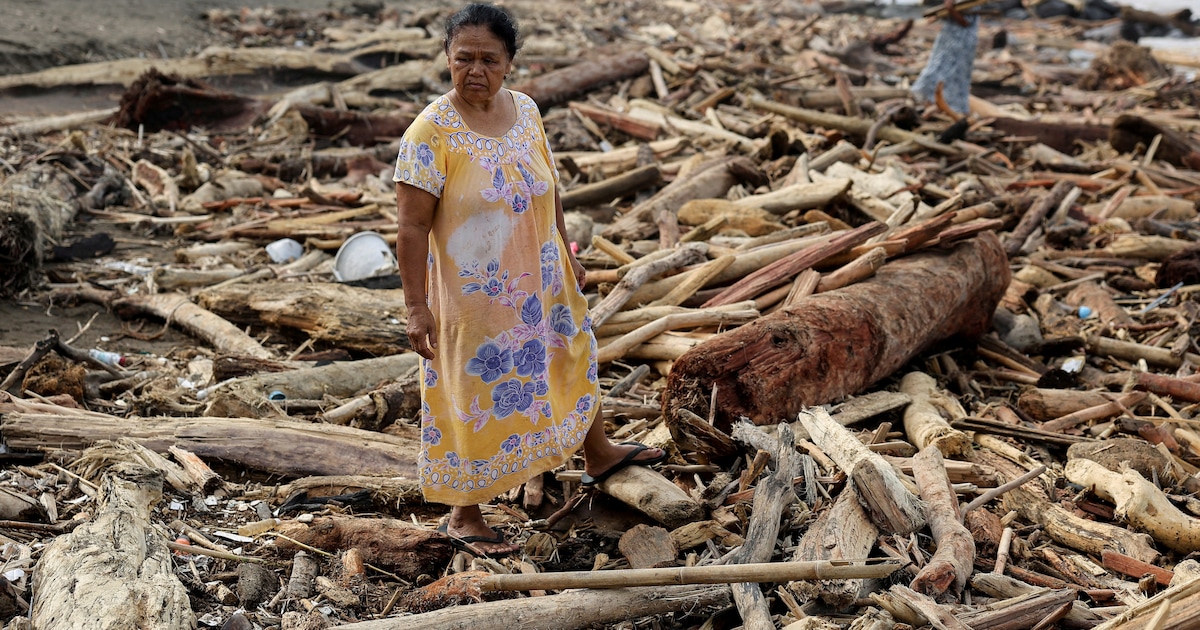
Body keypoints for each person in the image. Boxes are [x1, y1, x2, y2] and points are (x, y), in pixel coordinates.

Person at [393, 3, 666, 556]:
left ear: (510, 63)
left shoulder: (526, 112)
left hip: (541, 276)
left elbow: (549, 187)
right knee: (469, 391)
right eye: (463, 58)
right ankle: (464, 512)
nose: (475, 70)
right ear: (446, 58)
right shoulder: (429, 133)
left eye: (488, 59)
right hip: (476, 297)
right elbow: (411, 227)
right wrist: (416, 307)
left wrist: (565, 249)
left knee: (571, 354)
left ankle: (598, 454)